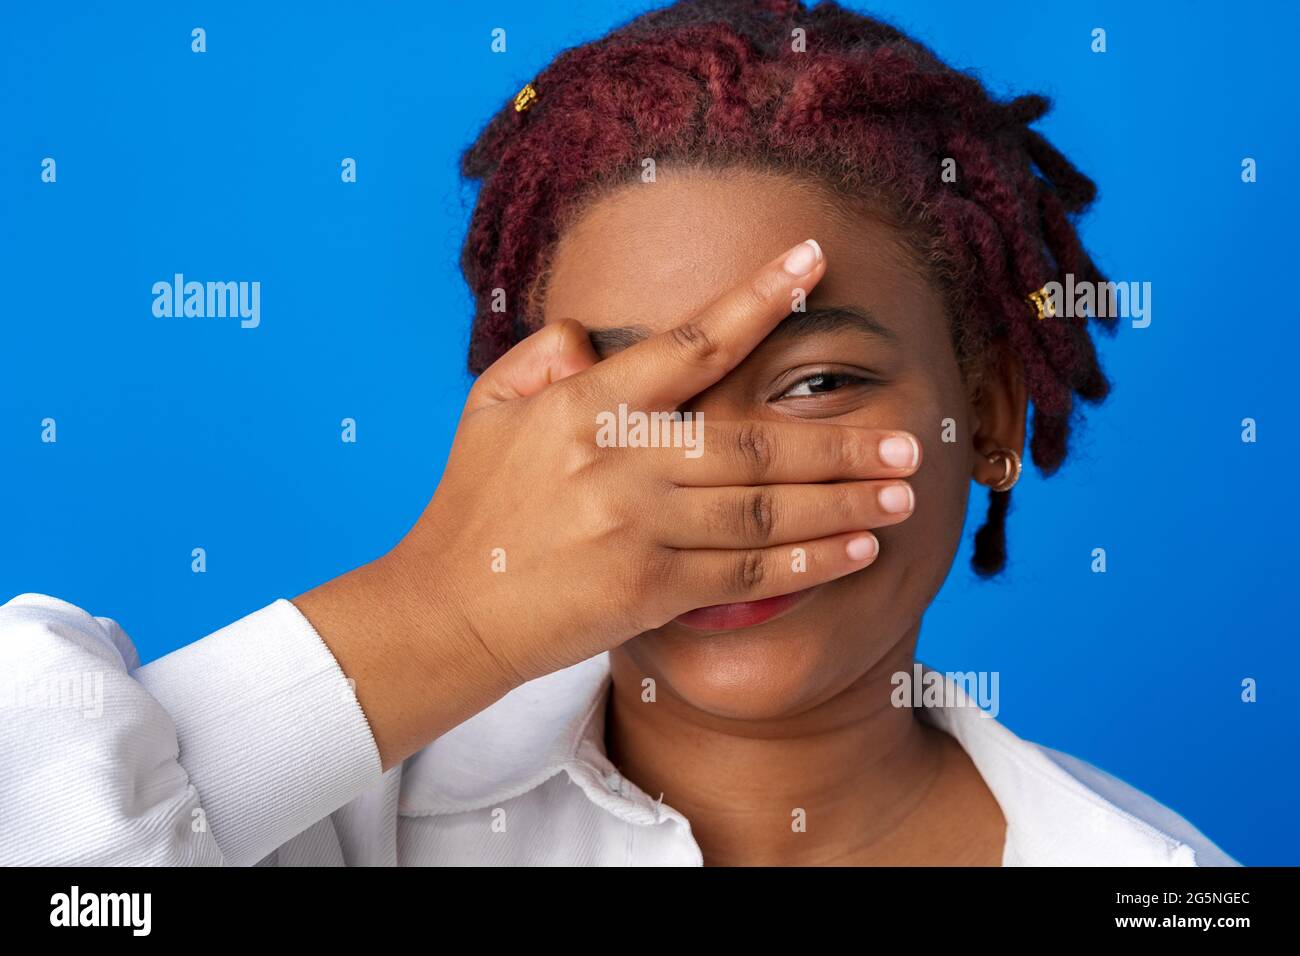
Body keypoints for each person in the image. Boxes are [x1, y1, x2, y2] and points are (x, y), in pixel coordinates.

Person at [0, 0, 1237, 866]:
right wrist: (448, 610)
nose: (702, 476)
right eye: (629, 389)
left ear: (993, 420)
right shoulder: (298, 829)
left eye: (815, 384)